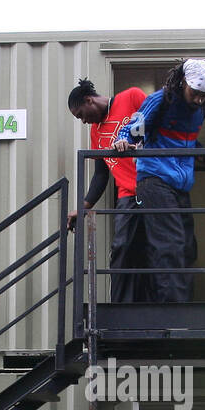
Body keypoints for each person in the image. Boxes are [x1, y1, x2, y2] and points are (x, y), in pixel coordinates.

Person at [112, 58, 205, 303]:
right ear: (182, 83)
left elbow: (182, 140)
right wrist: (124, 140)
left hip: (180, 184)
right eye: (195, 93)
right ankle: (171, 307)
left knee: (187, 246)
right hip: (155, 179)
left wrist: (203, 153)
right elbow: (134, 127)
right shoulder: (160, 100)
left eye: (203, 95)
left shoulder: (198, 110)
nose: (199, 99)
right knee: (170, 242)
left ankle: (182, 302)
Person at [66, 78, 150, 303]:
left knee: (158, 249)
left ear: (89, 100)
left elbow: (155, 128)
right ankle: (120, 309)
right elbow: (101, 174)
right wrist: (82, 208)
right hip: (127, 195)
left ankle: (166, 307)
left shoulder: (131, 96)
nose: (83, 121)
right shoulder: (96, 133)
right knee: (121, 249)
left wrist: (135, 144)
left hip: (154, 186)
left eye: (81, 115)